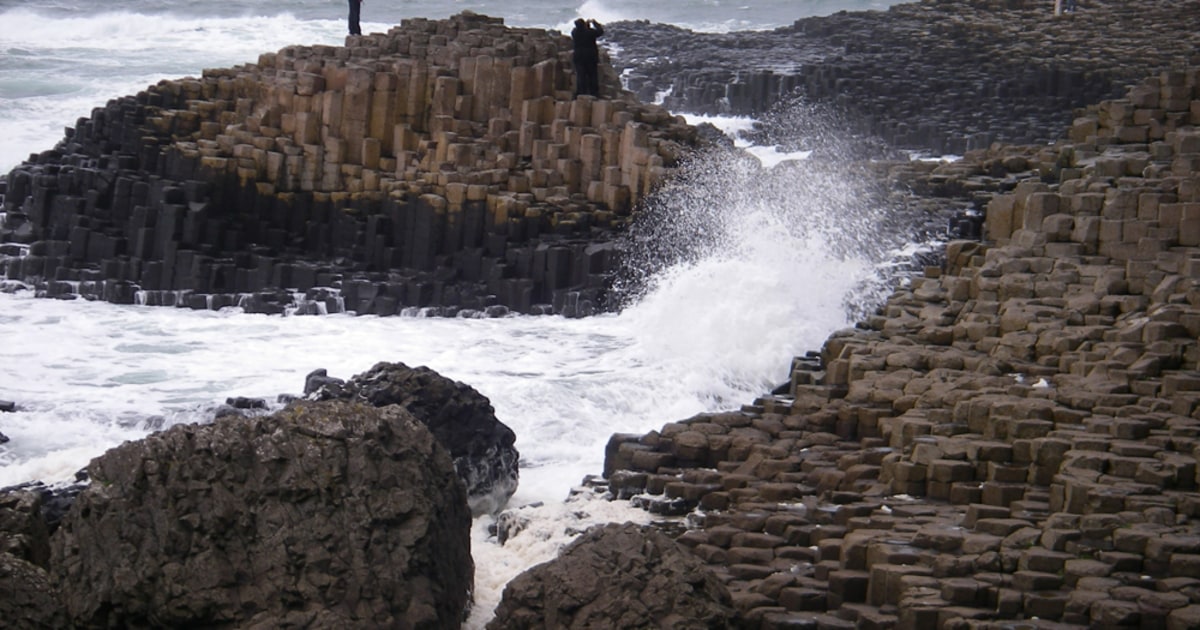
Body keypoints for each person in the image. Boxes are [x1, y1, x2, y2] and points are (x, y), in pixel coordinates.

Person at [571, 18, 604, 98]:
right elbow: (600, 31)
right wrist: (595, 23)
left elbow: (579, 29)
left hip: (579, 57)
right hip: (591, 57)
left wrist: (585, 25)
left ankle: (581, 92)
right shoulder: (590, 32)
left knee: (581, 75)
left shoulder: (575, 33)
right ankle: (594, 92)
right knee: (592, 75)